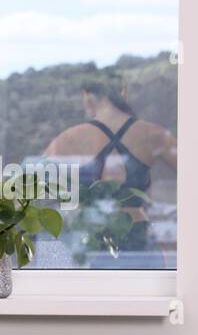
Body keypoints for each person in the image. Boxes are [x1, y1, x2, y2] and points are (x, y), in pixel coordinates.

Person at [43, 74, 177, 268]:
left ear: (88, 96)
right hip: (139, 238)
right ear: (123, 92)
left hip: (92, 241)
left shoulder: (69, 138)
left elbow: (27, 183)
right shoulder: (152, 134)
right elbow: (197, 174)